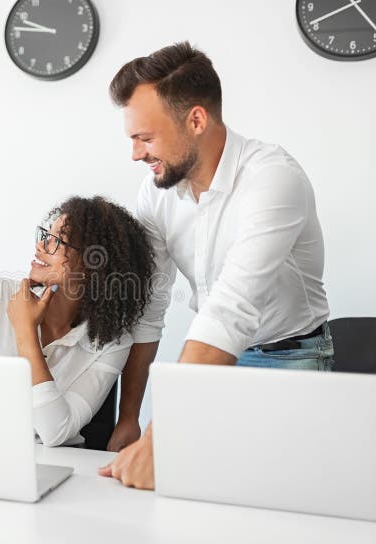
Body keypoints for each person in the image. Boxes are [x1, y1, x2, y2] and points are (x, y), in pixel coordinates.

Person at [99, 42, 333, 487]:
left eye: (145, 138)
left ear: (197, 120)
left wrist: (160, 436)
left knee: (281, 493)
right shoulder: (156, 191)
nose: (135, 154)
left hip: (289, 357)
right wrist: (130, 417)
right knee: (200, 490)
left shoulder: (272, 178)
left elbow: (230, 308)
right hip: (210, 360)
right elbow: (150, 306)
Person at [0, 196, 155, 447]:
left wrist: (25, 331)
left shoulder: (112, 343)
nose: (41, 246)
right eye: (44, 234)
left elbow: (55, 431)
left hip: (57, 462)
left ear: (92, 265)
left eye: (57, 241)